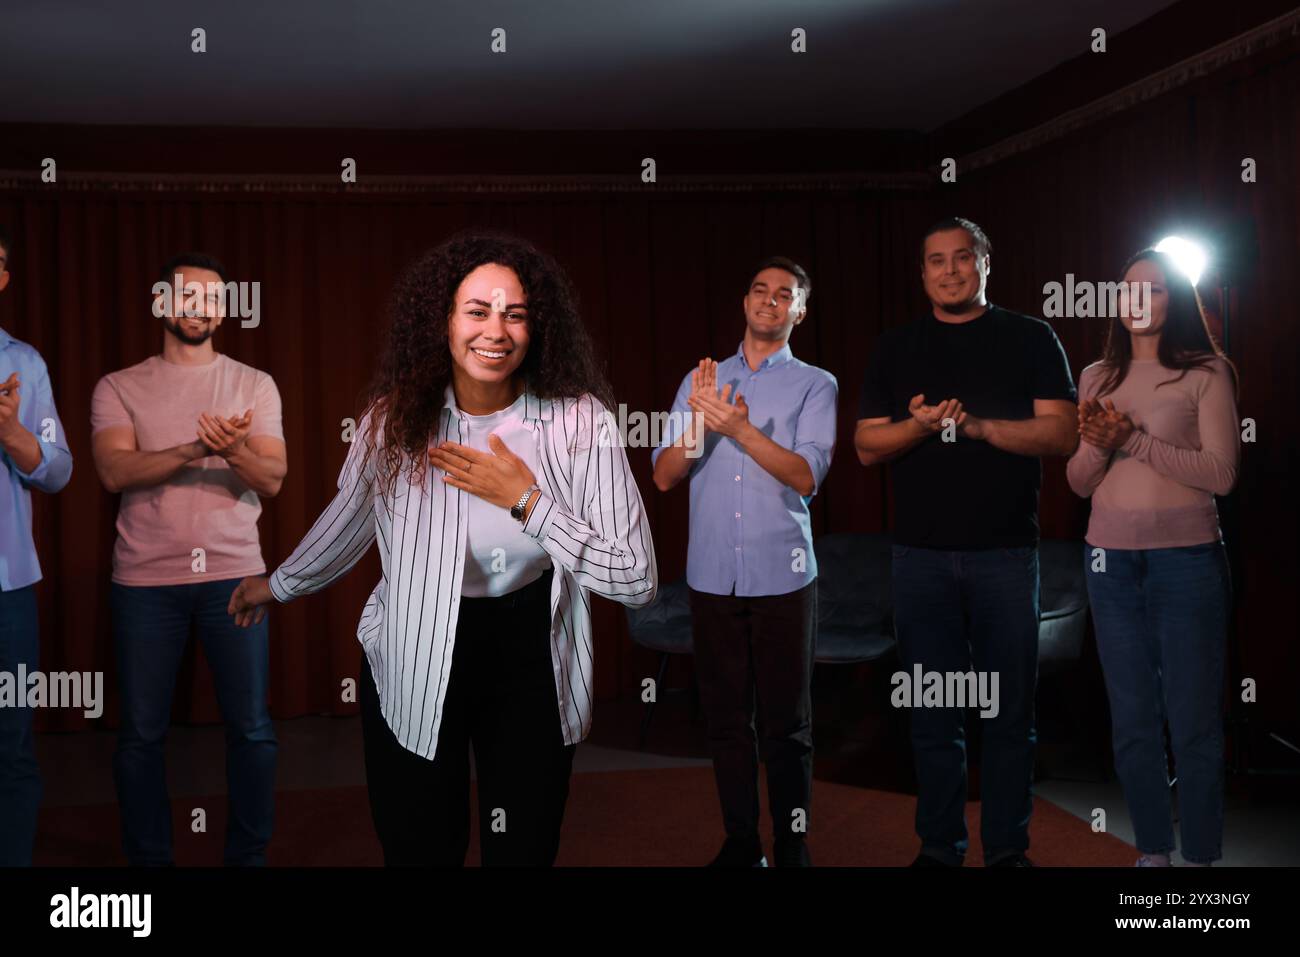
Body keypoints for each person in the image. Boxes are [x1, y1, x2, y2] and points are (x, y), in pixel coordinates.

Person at [228, 232, 656, 867]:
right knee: (421, 847)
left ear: (537, 327)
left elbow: (636, 579)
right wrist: (279, 584)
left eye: (515, 314)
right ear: (445, 321)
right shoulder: (391, 421)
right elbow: (349, 522)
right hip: (416, 648)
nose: (497, 330)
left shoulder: (578, 420)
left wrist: (528, 502)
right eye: (477, 311)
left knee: (524, 848)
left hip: (531, 652)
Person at [855, 217, 1077, 867]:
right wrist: (920, 427)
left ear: (985, 263)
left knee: (1009, 716)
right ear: (921, 273)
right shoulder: (896, 347)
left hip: (1007, 555)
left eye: (961, 258)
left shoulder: (1031, 337)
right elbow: (868, 447)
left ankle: (1007, 849)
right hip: (920, 558)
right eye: (936, 261)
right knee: (934, 716)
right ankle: (939, 847)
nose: (949, 270)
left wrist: (978, 426)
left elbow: (1061, 436)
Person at [91, 252, 287, 866]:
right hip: (145, 583)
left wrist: (231, 453)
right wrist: (196, 446)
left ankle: (246, 857)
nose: (199, 308)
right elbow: (114, 469)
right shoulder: (119, 385)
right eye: (186, 297)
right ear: (162, 304)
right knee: (141, 736)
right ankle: (149, 863)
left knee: (252, 731)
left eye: (211, 299)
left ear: (224, 311)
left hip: (235, 580)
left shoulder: (254, 383)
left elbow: (274, 477)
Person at [652, 256, 837, 867]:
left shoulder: (816, 384)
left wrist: (739, 428)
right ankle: (741, 845)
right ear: (745, 301)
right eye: (760, 289)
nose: (769, 300)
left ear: (799, 312)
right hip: (712, 579)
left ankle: (792, 846)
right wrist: (701, 427)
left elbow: (805, 474)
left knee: (788, 728)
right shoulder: (699, 380)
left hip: (783, 580)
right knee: (728, 724)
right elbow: (663, 476)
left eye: (784, 294)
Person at [1067, 248, 1239, 867]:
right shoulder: (1095, 376)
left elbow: (1221, 474)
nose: (1140, 299)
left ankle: (1199, 858)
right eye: (1129, 288)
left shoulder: (1207, 371)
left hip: (1187, 562)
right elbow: (1080, 482)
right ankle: (1153, 852)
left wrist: (1132, 439)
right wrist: (1100, 445)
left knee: (1193, 723)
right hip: (1109, 564)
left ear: (1176, 301)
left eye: (1156, 290)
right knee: (1133, 721)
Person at [0, 225, 74, 866]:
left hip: (9, 591)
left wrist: (10, 433)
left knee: (11, 746)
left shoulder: (23, 364)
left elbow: (57, 468)